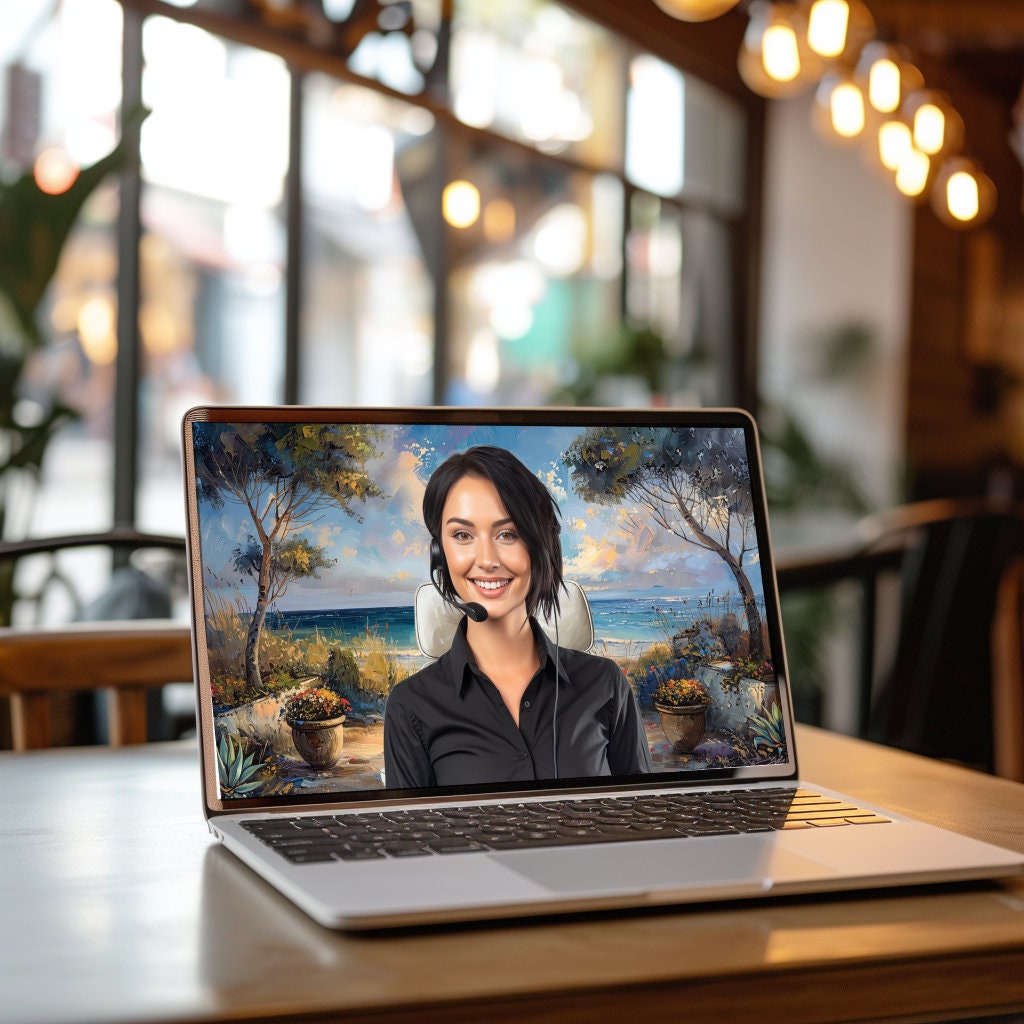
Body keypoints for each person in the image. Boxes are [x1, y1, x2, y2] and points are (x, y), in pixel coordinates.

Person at [383, 445, 653, 790]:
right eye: (462, 535)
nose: (487, 559)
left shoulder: (605, 685)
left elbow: (644, 819)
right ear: (440, 554)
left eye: (507, 534)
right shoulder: (411, 706)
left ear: (540, 545)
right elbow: (412, 842)